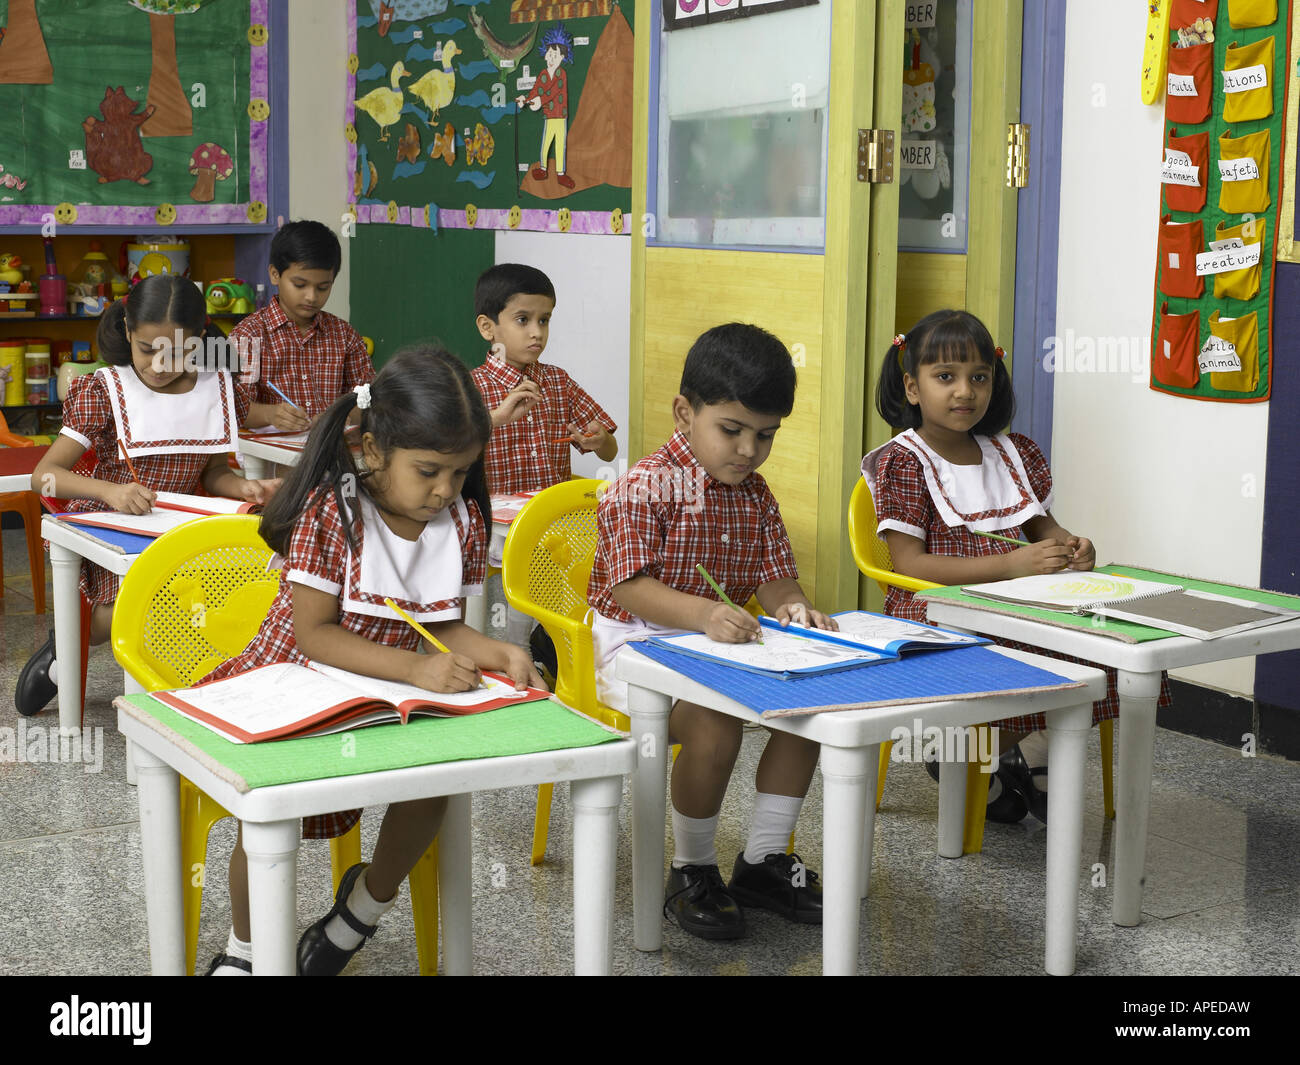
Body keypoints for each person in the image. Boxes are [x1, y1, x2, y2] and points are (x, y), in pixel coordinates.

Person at [197, 347, 542, 975]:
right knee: (270, 818)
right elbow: (314, 636)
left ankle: (361, 909)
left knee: (433, 784)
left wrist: (499, 651)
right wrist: (414, 668)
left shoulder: (459, 521)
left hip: (387, 696)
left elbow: (442, 629)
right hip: (296, 683)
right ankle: (246, 950)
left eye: (461, 473)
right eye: (429, 471)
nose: (445, 491)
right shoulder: (333, 511)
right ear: (374, 449)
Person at [861, 309, 1171, 822]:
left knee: (1111, 650)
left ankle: (1027, 756)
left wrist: (1073, 549)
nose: (965, 391)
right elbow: (909, 564)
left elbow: (1045, 532)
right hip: (935, 612)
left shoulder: (1012, 453)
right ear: (912, 388)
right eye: (946, 377)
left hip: (1016, 600)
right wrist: (1010, 565)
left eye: (978, 377)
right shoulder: (904, 461)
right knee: (1036, 659)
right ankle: (959, 748)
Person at [587, 322, 830, 941]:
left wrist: (798, 610)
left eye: (765, 435)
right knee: (713, 719)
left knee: (811, 702)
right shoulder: (641, 486)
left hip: (713, 646)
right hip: (633, 646)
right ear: (683, 413)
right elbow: (627, 589)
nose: (748, 450)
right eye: (732, 430)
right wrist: (702, 614)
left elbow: (777, 580)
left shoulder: (757, 495)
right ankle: (691, 869)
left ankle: (762, 862)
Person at [15, 274, 277, 717]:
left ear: (200, 338)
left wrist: (244, 487)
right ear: (128, 332)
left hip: (181, 521)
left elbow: (212, 473)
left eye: (177, 351)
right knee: (129, 613)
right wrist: (111, 492)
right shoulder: (105, 389)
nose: (159, 365)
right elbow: (44, 476)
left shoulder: (216, 388)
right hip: (115, 520)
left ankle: (185, 692)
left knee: (233, 586)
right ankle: (67, 645)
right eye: (147, 349)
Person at [471, 262, 617, 654]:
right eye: (523, 319)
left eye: (544, 320)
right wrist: (496, 418)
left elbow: (609, 449)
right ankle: (513, 663)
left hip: (554, 532)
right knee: (506, 626)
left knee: (559, 619)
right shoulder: (471, 387)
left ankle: (550, 660)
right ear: (489, 328)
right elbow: (447, 445)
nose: (537, 332)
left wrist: (599, 441)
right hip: (494, 538)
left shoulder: (558, 381)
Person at [229, 219, 374, 430]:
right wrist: (270, 414)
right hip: (271, 455)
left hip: (329, 450)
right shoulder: (248, 336)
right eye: (300, 285)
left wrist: (339, 417)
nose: (311, 297)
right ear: (275, 274)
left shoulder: (344, 335)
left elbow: (369, 400)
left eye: (323, 287)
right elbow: (232, 408)